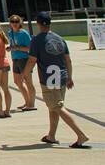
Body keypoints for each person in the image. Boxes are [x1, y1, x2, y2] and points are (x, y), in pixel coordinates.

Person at [28, 11, 89, 148]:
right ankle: (51, 136)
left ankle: (81, 135)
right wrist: (70, 77)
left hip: (49, 79)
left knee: (57, 107)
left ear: (38, 24)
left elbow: (32, 60)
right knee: (53, 107)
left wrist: (26, 73)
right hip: (62, 76)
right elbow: (68, 60)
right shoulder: (60, 39)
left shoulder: (37, 40)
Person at [8, 15, 36, 112]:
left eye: (16, 21)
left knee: (28, 82)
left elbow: (30, 48)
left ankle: (31, 104)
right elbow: (12, 45)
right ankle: (27, 101)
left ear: (20, 22)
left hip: (24, 59)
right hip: (15, 59)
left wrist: (18, 48)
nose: (14, 24)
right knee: (17, 81)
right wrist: (10, 48)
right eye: (12, 21)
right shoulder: (10, 33)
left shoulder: (24, 33)